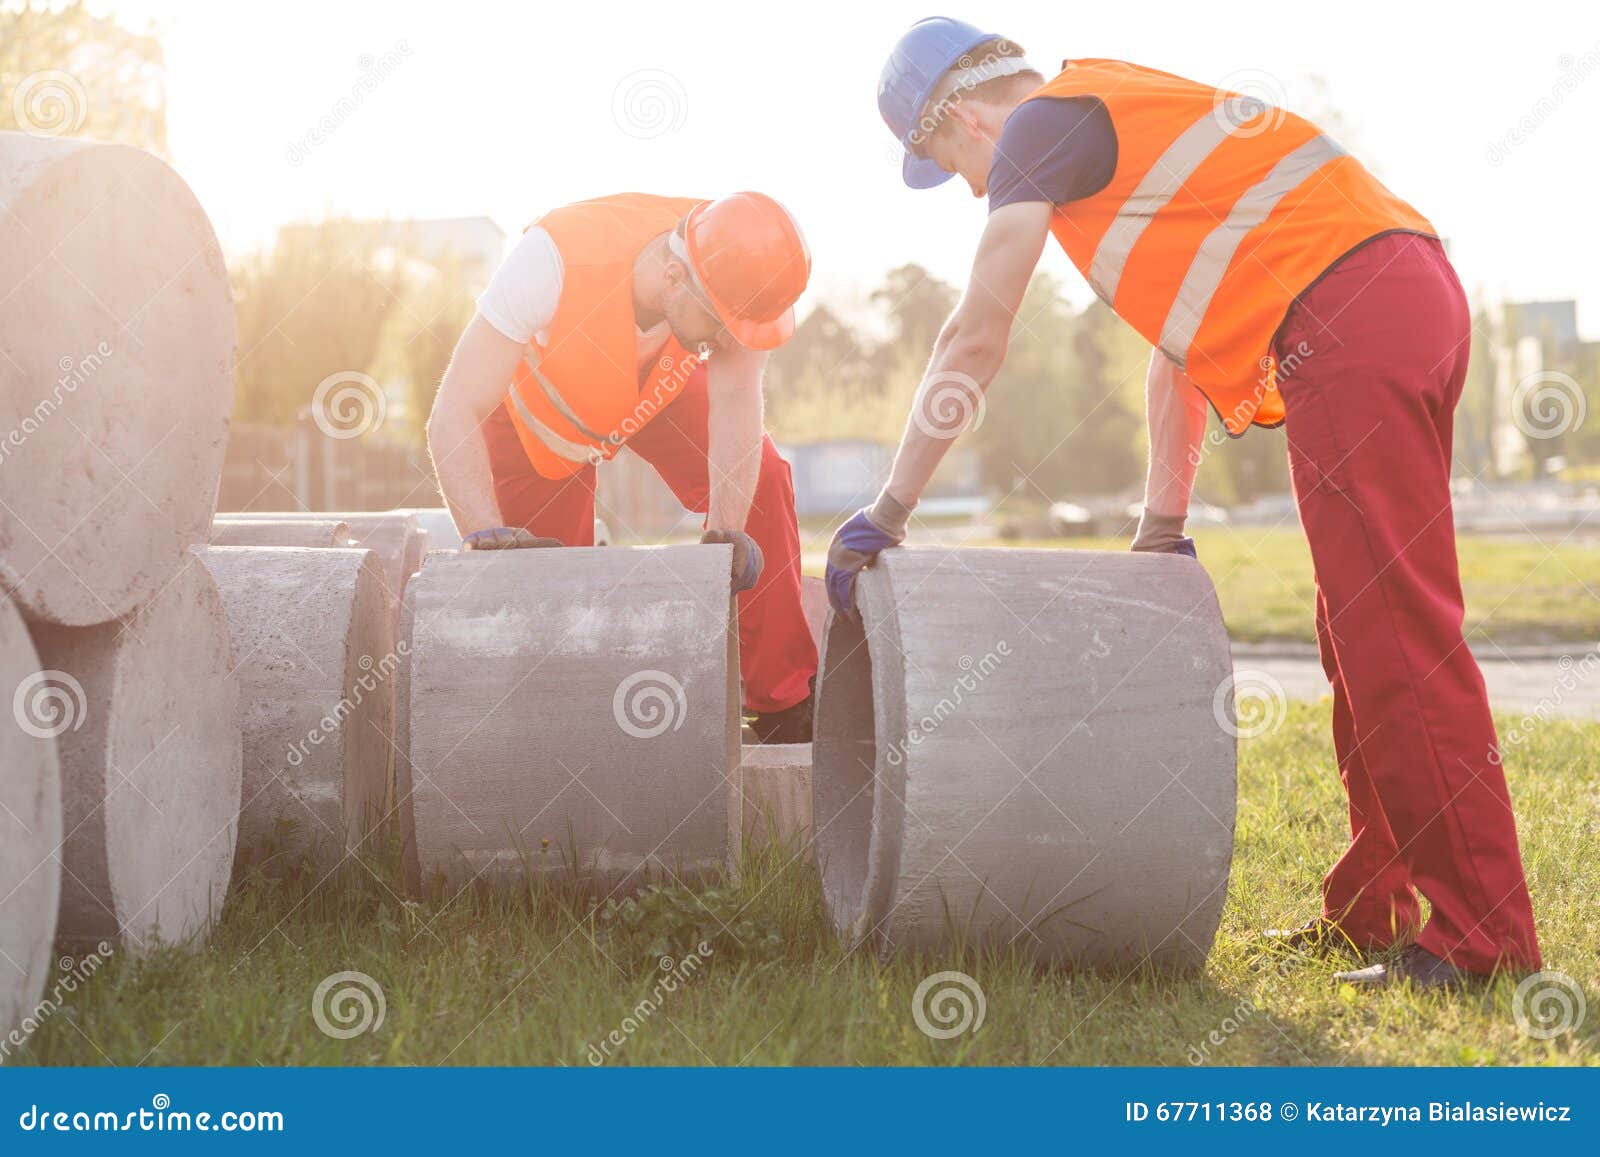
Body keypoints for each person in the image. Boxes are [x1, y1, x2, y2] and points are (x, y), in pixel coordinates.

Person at [827, 17, 1541, 987]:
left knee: (1397, 633)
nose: (963, 183)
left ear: (958, 114)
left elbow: (975, 332)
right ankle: (1372, 908)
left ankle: (1482, 941)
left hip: (1352, 309)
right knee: (1359, 627)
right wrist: (1161, 527)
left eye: (944, 157)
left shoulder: (1035, 130)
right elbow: (1181, 349)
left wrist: (891, 507)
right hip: (1398, 288)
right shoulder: (1113, 114)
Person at [429, 192, 818, 743]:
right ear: (673, 273)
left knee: (764, 480)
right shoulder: (552, 261)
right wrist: (482, 537)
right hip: (543, 419)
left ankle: (782, 703)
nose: (727, 341)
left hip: (656, 388)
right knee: (546, 595)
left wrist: (727, 532)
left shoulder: (742, 271)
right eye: (719, 323)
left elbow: (735, 401)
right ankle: (559, 734)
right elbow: (453, 412)